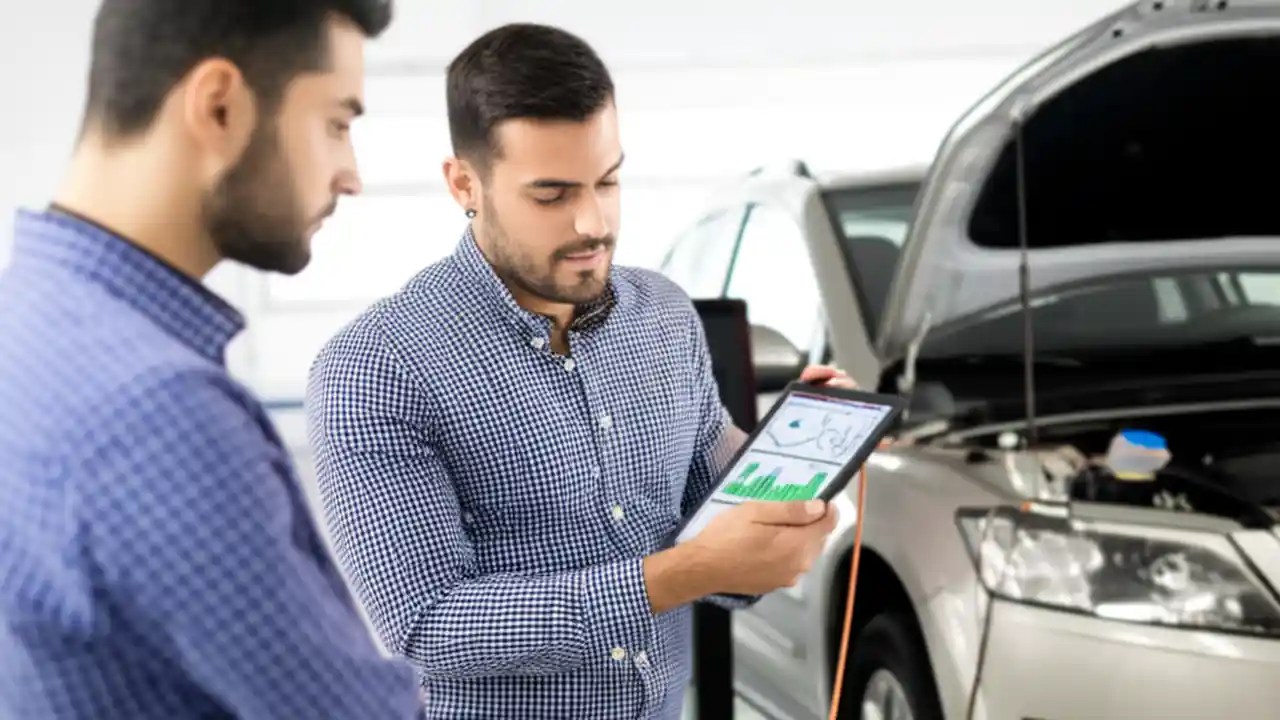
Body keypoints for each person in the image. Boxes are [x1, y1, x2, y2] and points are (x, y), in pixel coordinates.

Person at [306, 22, 853, 719]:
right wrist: (674, 577)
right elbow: (427, 627)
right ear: (464, 183)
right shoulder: (375, 368)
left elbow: (709, 512)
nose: (593, 222)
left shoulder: (664, 315)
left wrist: (795, 457)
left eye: (608, 179)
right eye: (552, 194)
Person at [0, 2, 425, 718]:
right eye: (335, 124)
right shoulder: (156, 411)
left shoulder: (28, 314)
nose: (350, 174)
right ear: (220, 106)